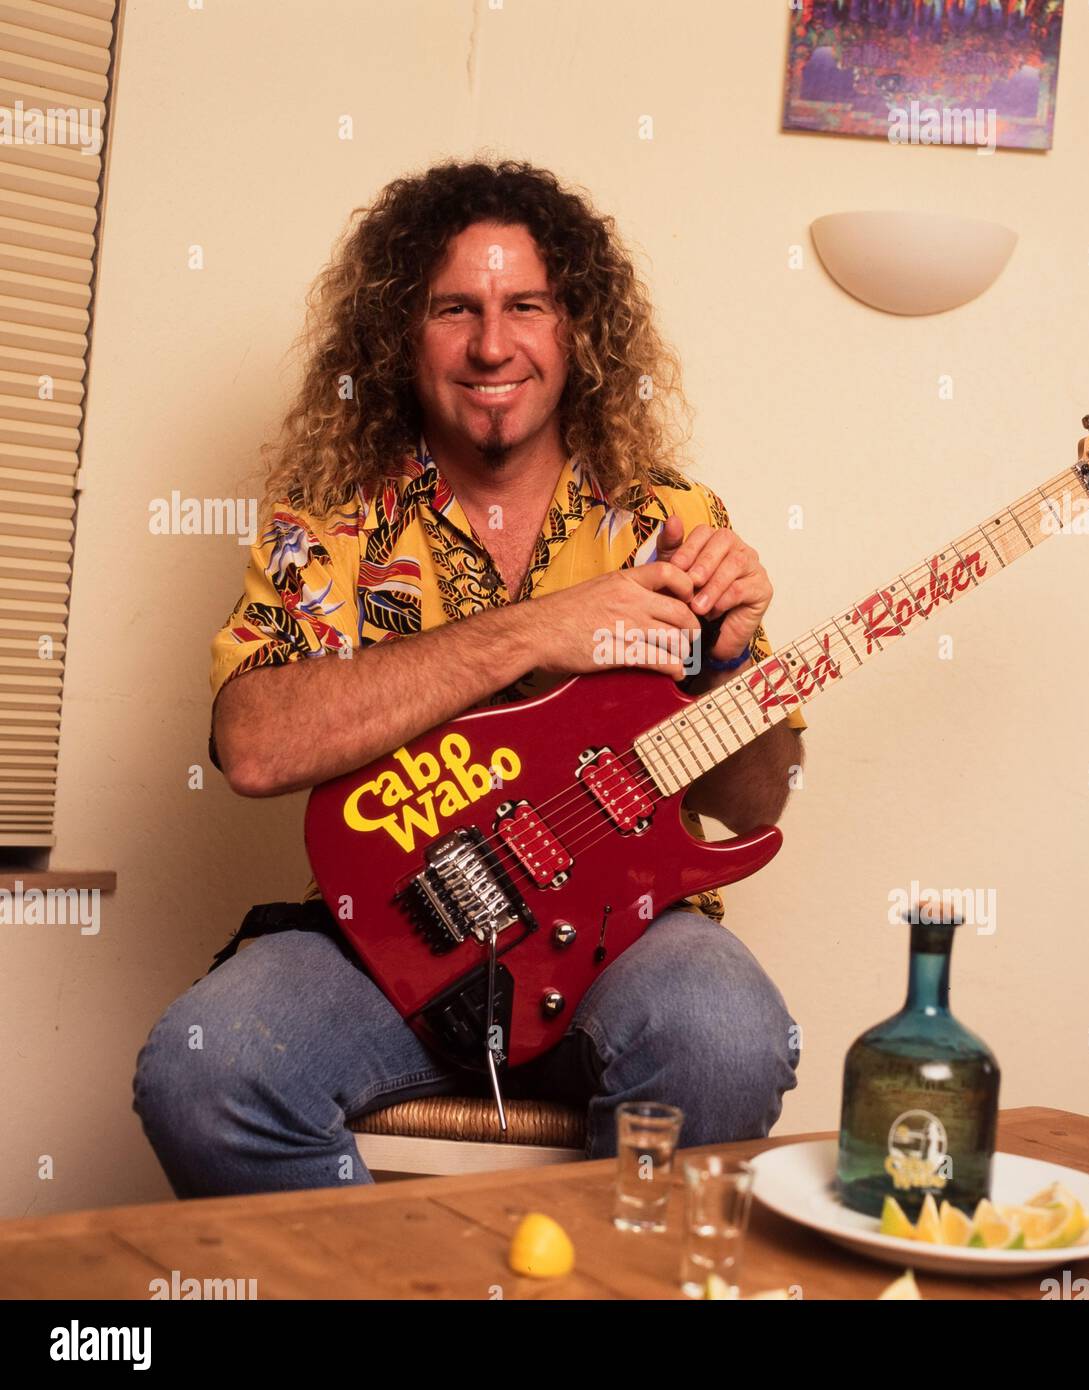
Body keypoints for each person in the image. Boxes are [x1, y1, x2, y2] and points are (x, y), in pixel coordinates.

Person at [132, 158, 807, 1198]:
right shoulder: (335, 522)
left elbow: (755, 801)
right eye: (456, 308)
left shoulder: (665, 517)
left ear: (575, 328)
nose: (494, 344)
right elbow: (254, 745)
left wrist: (727, 661)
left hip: (624, 943)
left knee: (725, 1038)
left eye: (525, 305)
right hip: (391, 936)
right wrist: (539, 631)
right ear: (400, 336)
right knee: (202, 1070)